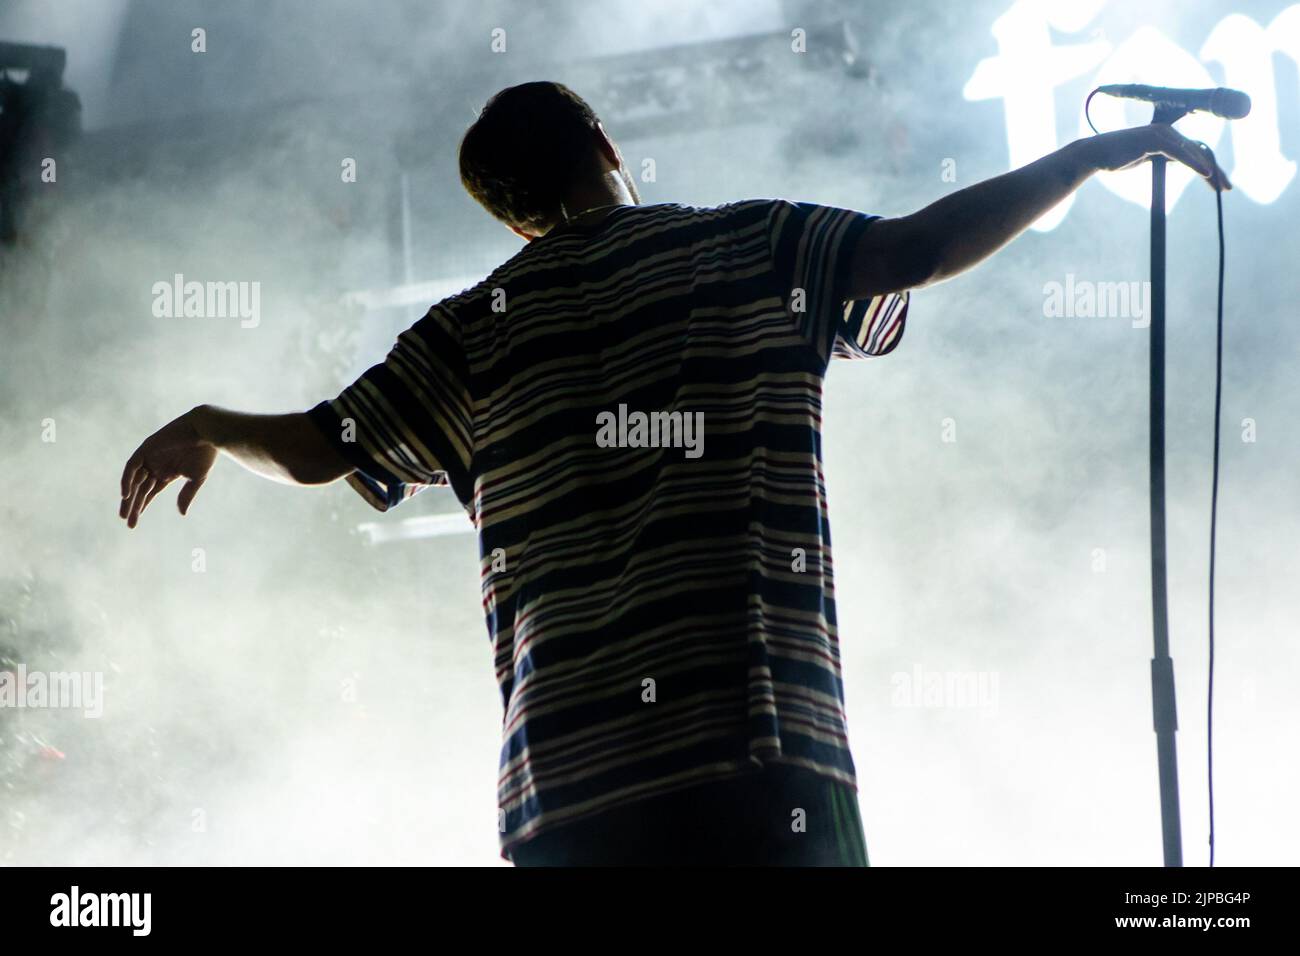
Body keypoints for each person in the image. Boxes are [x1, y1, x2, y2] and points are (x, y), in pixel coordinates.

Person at [118, 81, 1227, 866]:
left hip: (567, 796)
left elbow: (322, 448)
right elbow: (917, 248)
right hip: (757, 756)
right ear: (603, 142)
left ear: (508, 214)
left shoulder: (469, 332)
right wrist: (1084, 158)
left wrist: (212, 424)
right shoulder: (747, 245)